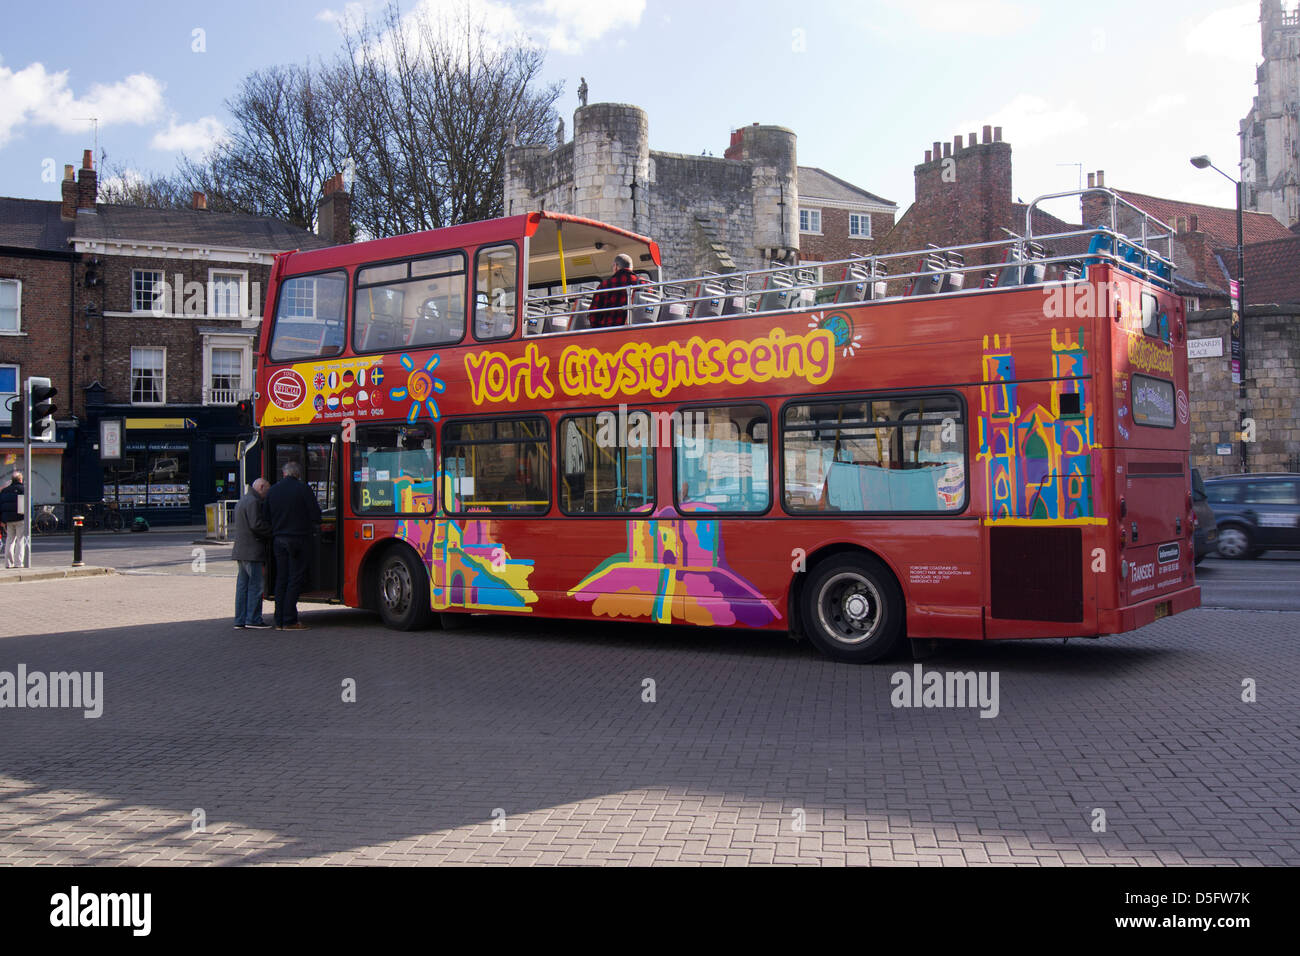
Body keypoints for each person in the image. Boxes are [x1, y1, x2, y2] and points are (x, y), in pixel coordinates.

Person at [266, 461, 321, 631]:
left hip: (278, 539)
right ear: (297, 474)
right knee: (295, 579)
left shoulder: (273, 490)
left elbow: (265, 516)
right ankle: (290, 619)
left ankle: (279, 619)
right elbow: (316, 515)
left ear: (284, 474)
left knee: (281, 579)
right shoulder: (302, 488)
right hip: (298, 539)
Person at [231, 478, 272, 630]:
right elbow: (256, 525)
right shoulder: (254, 502)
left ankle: (239, 619)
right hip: (252, 551)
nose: (266, 495)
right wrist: (271, 532)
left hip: (241, 550)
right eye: (266, 490)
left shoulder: (243, 500)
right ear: (261, 487)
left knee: (242, 586)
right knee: (256, 585)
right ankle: (253, 619)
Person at [589, 254, 647, 328]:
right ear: (631, 267)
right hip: (638, 329)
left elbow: (593, 315)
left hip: (609, 330)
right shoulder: (643, 283)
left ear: (615, 266)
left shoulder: (605, 285)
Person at [0, 470, 27, 569]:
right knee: (20, 540)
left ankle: (8, 563)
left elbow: (0, 505)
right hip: (20, 518)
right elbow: (28, 505)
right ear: (20, 479)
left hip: (8, 520)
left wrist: (2, 520)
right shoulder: (23, 489)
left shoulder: (4, 491)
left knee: (9, 540)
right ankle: (18, 563)